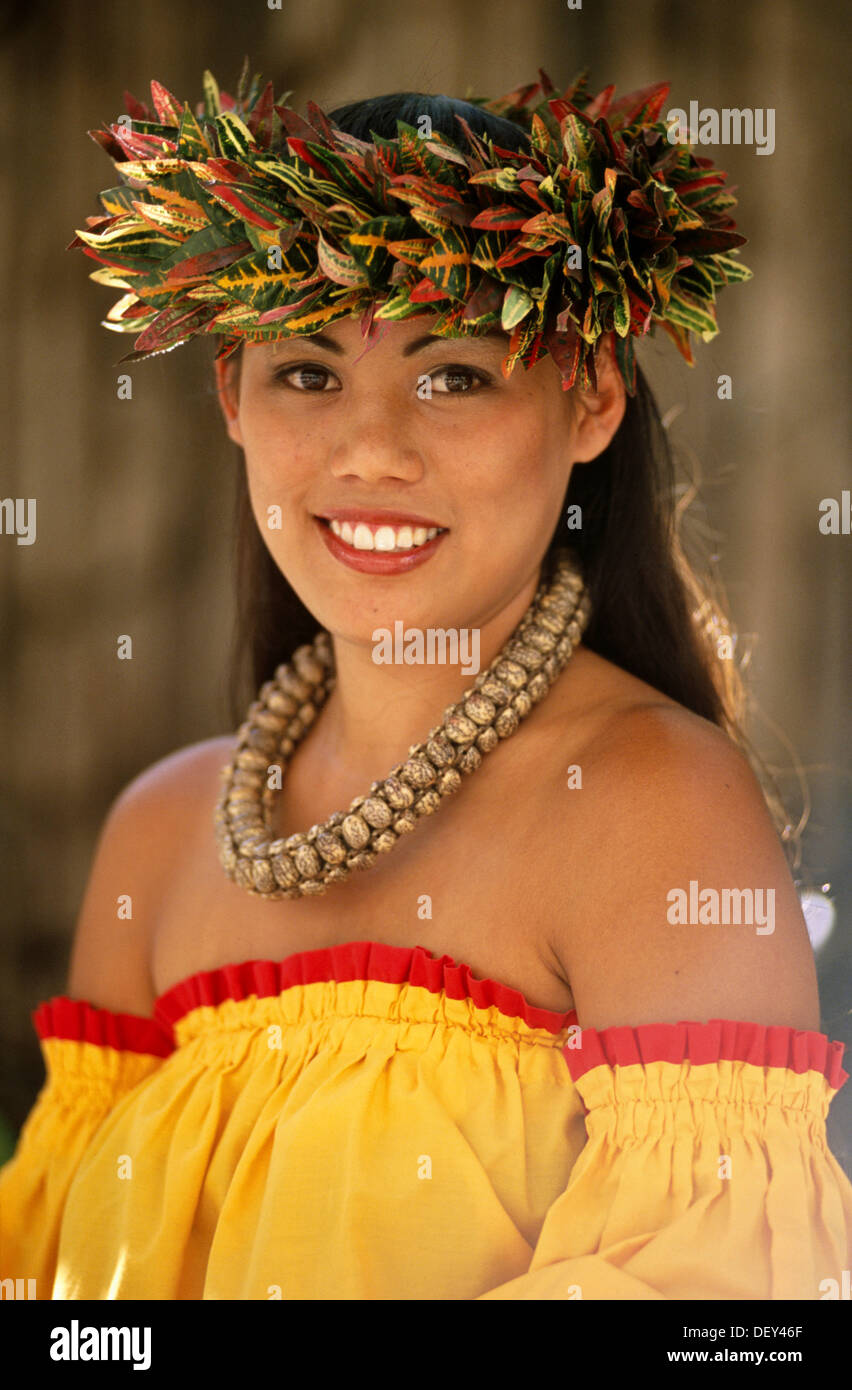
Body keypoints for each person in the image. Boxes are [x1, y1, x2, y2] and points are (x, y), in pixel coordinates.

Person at [1, 62, 850, 1300]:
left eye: (453, 374)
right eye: (309, 371)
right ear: (230, 394)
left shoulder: (656, 816)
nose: (372, 449)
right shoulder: (161, 838)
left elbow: (715, 1316)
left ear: (591, 399)